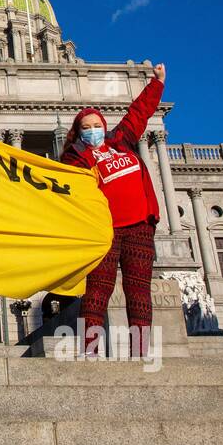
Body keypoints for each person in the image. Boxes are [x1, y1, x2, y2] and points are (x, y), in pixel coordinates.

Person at [60, 64, 166, 357]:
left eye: (97, 125)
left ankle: (141, 352)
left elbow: (139, 113)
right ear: (78, 132)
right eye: (87, 127)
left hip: (140, 228)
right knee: (97, 291)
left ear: (105, 128)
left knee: (140, 294)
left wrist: (156, 84)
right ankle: (91, 351)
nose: (93, 130)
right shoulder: (77, 160)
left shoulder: (122, 143)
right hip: (106, 230)